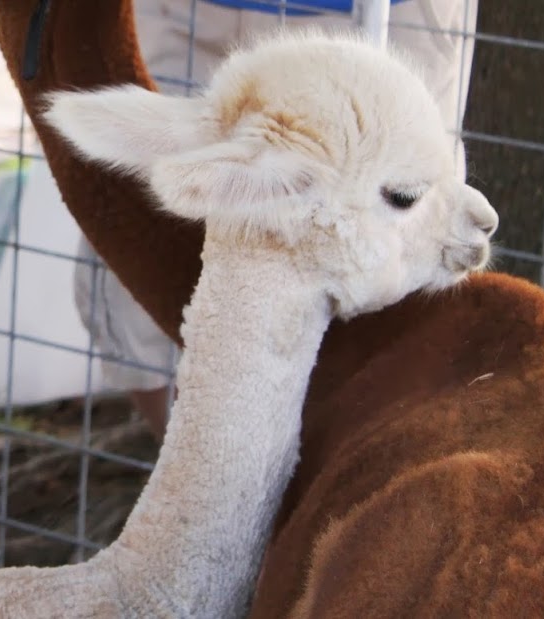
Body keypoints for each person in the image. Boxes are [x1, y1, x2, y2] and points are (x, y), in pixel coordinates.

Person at [73, 0, 479, 442]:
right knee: (138, 255)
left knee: (390, 264)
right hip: (194, 11)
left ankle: (323, 485)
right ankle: (199, 465)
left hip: (384, 15)